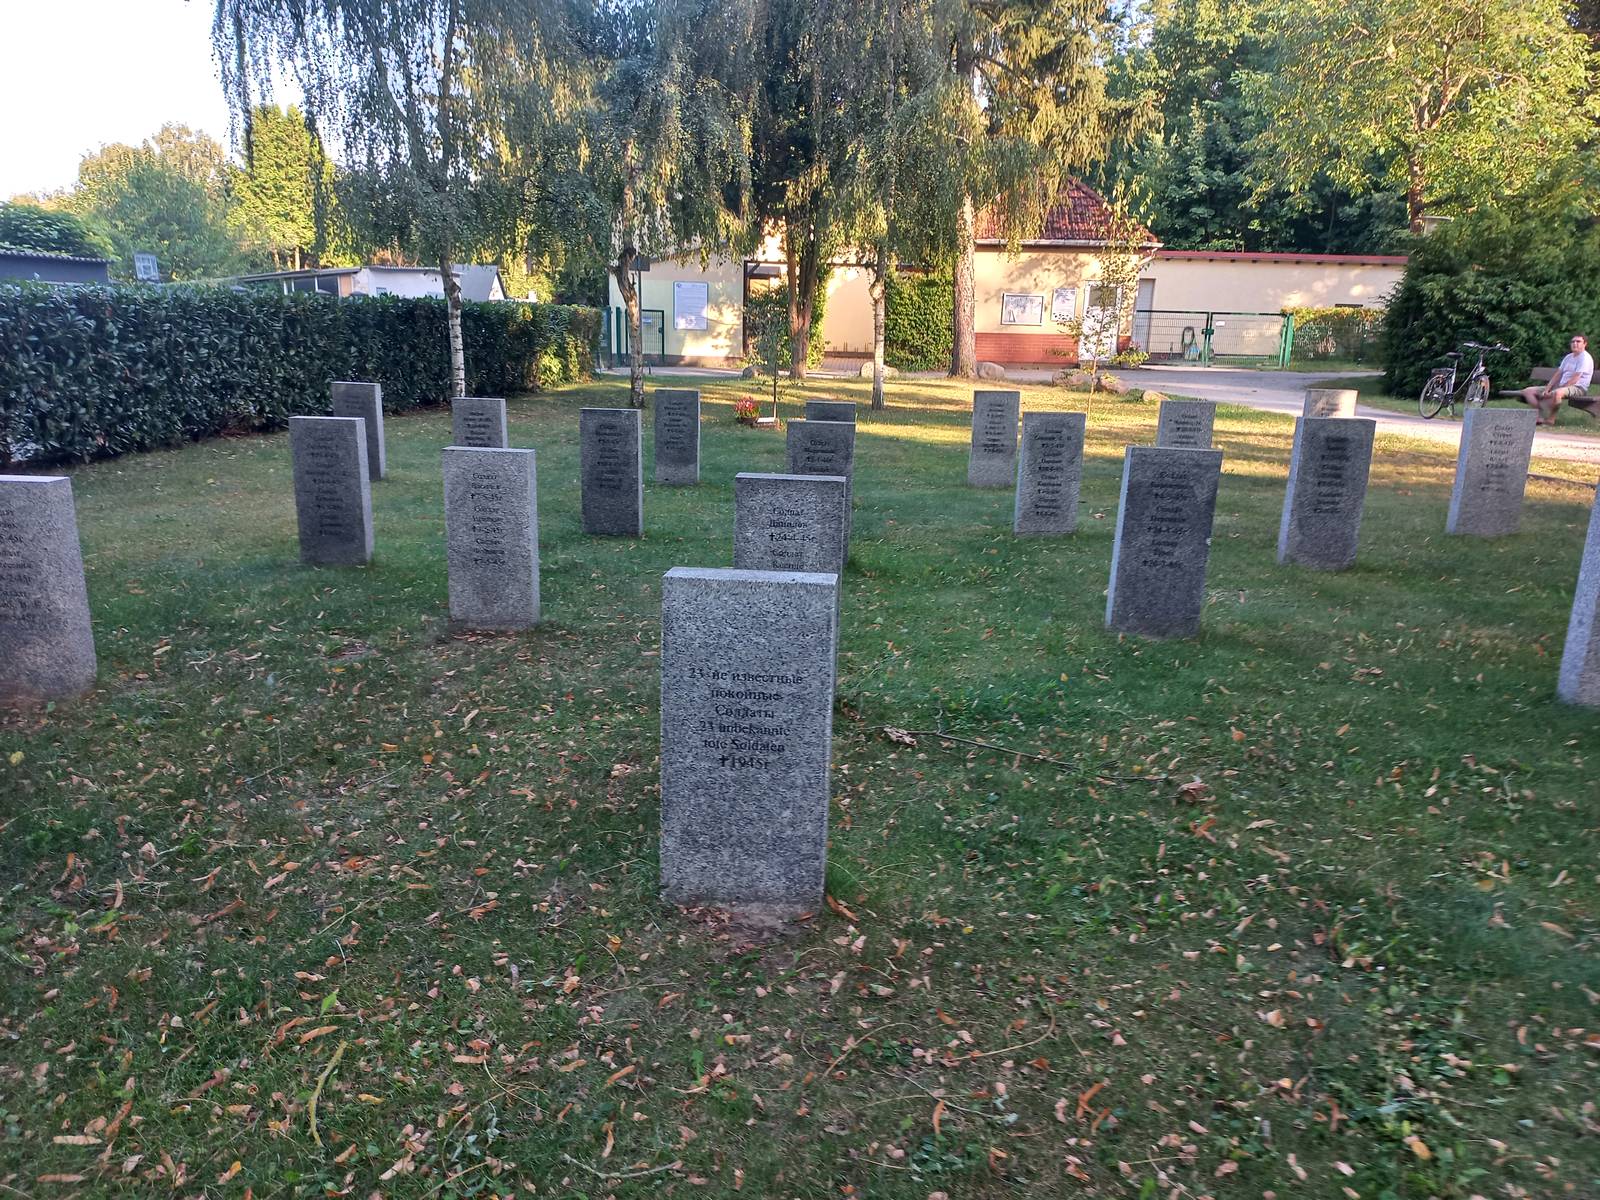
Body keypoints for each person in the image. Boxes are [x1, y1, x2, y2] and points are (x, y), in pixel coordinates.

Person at [1519, 334, 1594, 425]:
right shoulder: (1568, 357)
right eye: (1573, 342)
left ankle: (1551, 419)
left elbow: (1575, 378)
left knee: (1557, 393)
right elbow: (1558, 374)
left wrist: (1558, 389)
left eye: (1578, 341)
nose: (1575, 344)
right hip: (1562, 386)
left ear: (1585, 344)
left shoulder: (1585, 358)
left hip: (1578, 388)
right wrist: (1547, 389)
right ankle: (1539, 416)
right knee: (1528, 391)